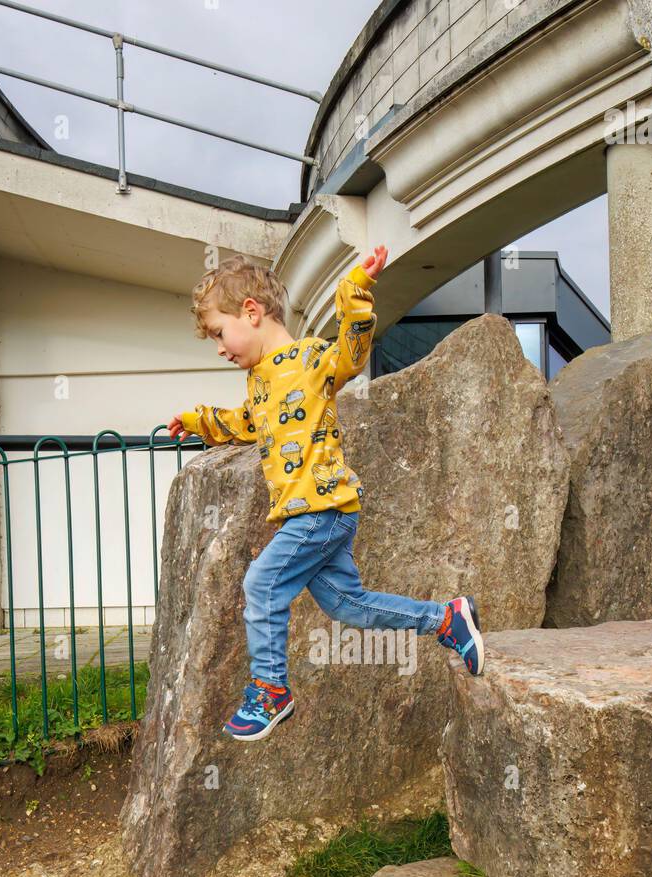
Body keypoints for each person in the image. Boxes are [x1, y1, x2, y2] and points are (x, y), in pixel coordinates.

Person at [168, 243, 484, 741]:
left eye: (218, 333)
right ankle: (445, 618)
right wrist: (199, 421)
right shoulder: (260, 382)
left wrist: (354, 292)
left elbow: (353, 356)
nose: (220, 347)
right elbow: (248, 424)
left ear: (250, 313)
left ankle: (270, 690)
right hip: (317, 515)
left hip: (322, 509)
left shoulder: (311, 358)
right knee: (346, 606)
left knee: (261, 585)